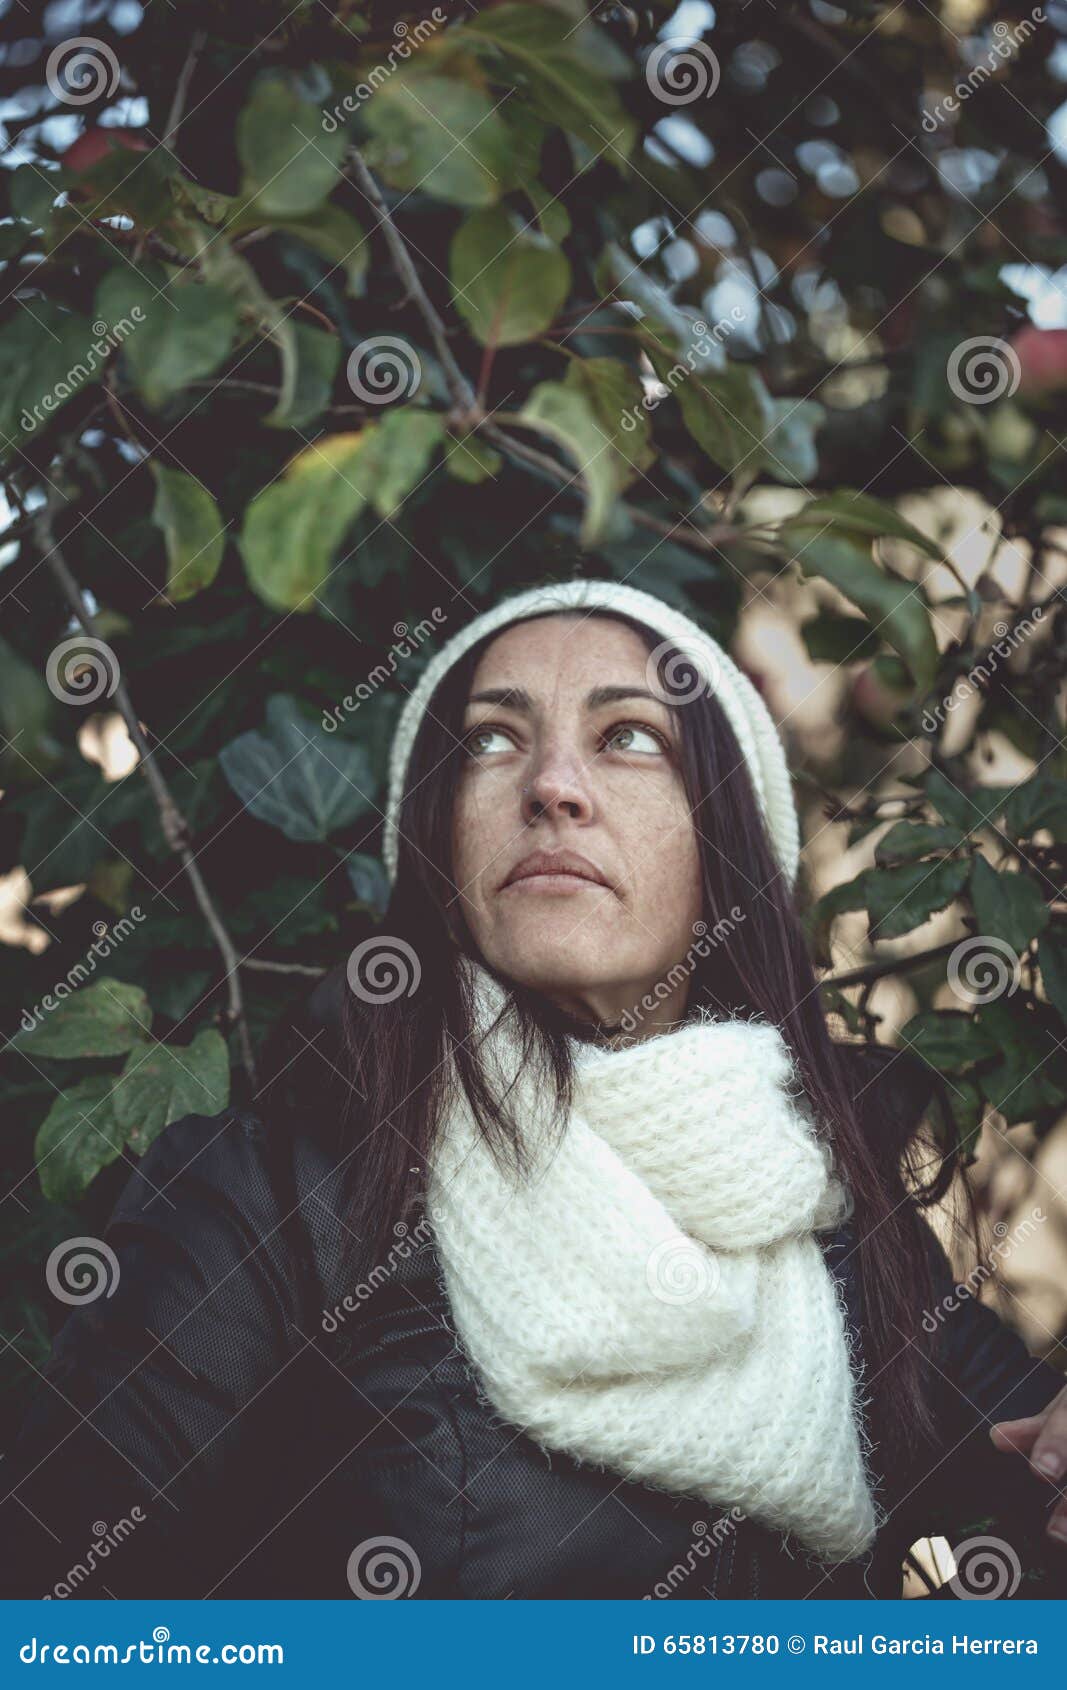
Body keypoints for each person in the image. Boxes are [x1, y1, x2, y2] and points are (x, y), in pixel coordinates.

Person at [4, 579, 1066, 1600]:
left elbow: (1034, 1486)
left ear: (725, 847)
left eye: (629, 737)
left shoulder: (840, 1219)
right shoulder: (277, 1196)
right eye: (490, 741)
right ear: (438, 843)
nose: (552, 785)